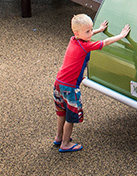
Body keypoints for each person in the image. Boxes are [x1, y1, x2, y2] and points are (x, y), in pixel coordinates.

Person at [54, 14, 130, 153]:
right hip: (69, 87)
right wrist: (121, 35)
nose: (90, 33)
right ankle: (65, 143)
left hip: (59, 83)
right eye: (88, 31)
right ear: (77, 33)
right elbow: (105, 43)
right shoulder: (85, 46)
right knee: (70, 117)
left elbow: (85, 35)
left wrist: (99, 30)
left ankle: (59, 137)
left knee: (61, 113)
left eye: (91, 29)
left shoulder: (73, 40)